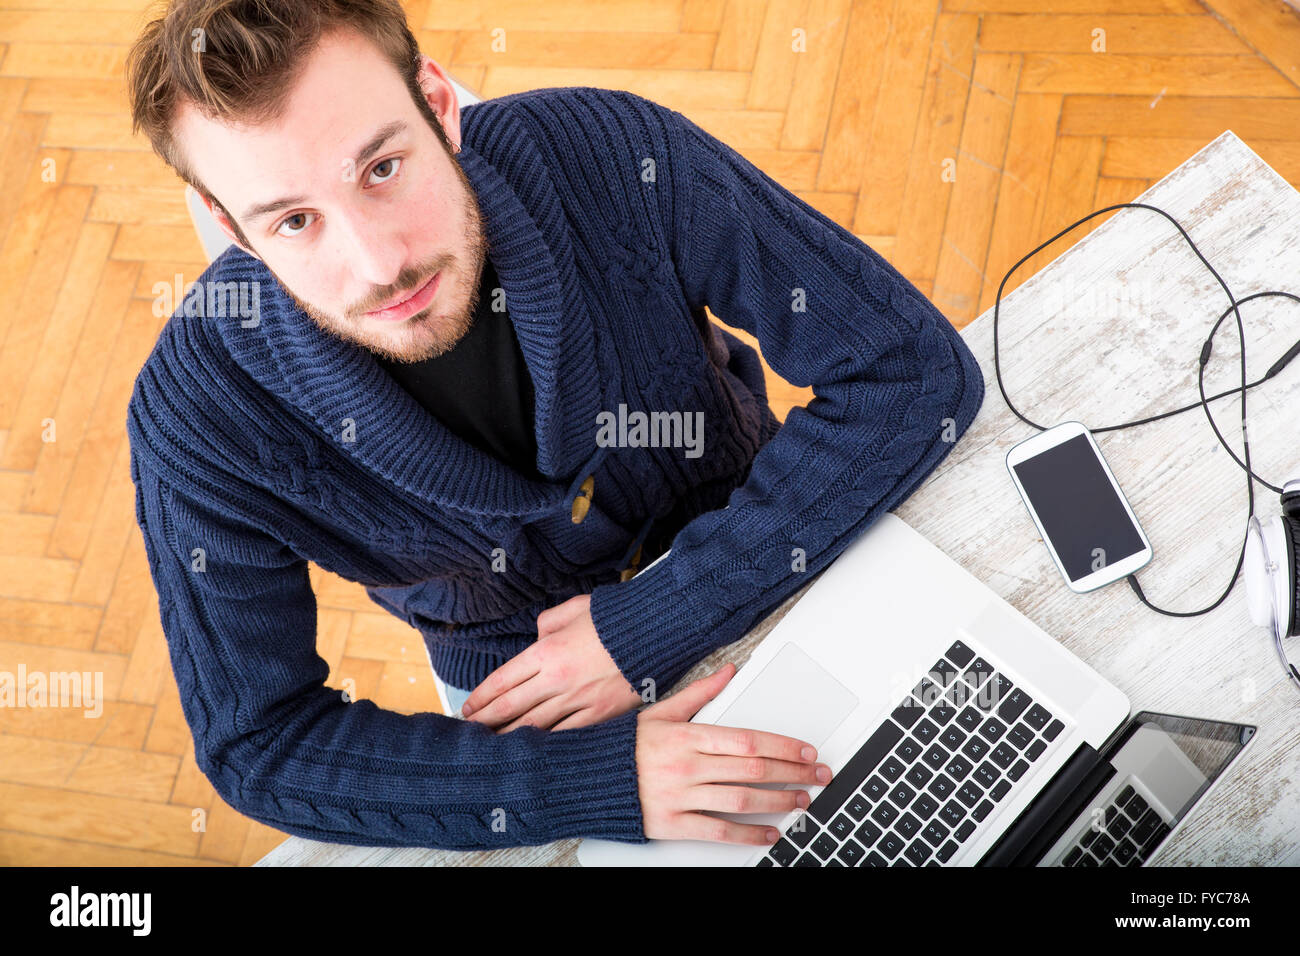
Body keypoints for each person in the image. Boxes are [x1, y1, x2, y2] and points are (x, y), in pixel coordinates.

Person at [124, 0, 985, 852]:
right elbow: (260, 746)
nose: (379, 264)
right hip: (529, 704)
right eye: (294, 221)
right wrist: (590, 784)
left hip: (778, 527)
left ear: (437, 102)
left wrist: (657, 616)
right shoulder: (195, 423)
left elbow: (911, 371)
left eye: (382, 168)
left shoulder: (611, 152)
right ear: (232, 225)